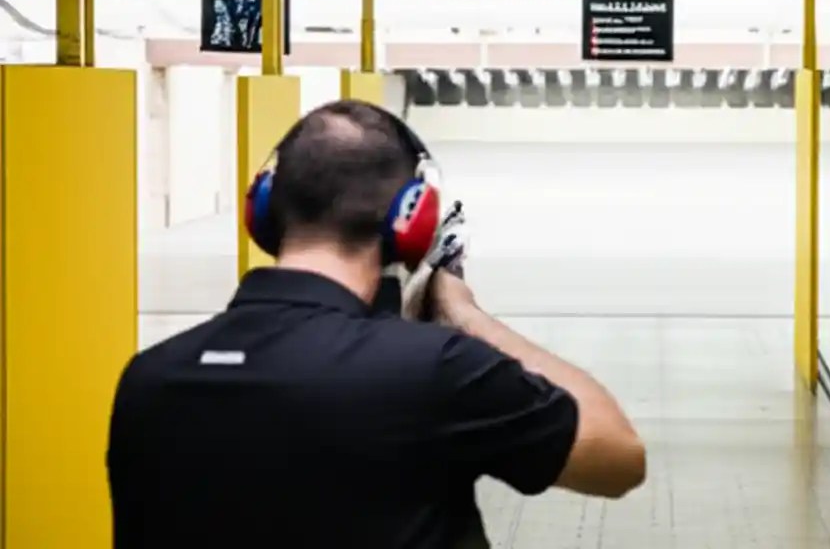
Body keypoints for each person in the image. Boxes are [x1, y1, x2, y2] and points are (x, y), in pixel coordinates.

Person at [107, 100, 646, 549]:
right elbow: (617, 457)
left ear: (264, 209)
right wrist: (465, 314)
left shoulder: (149, 380)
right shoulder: (433, 369)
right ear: (411, 219)